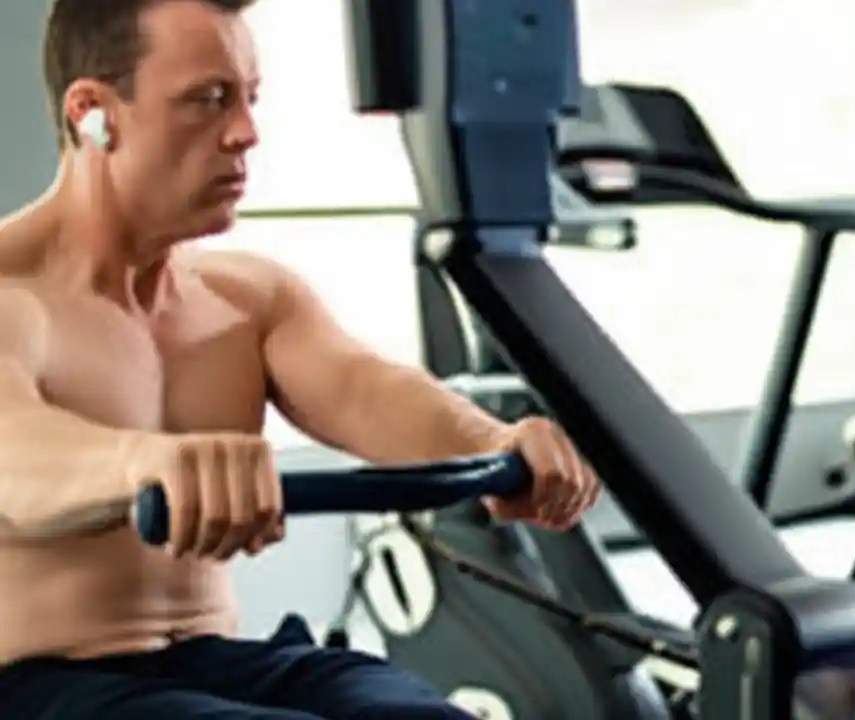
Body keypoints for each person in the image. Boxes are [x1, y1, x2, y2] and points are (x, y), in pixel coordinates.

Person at [0, 0, 602, 717]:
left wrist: (495, 442)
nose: (245, 134)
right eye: (209, 100)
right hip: (38, 684)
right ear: (93, 113)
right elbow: (15, 458)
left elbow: (364, 389)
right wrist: (141, 462)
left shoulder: (245, 299)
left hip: (219, 662)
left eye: (249, 99)